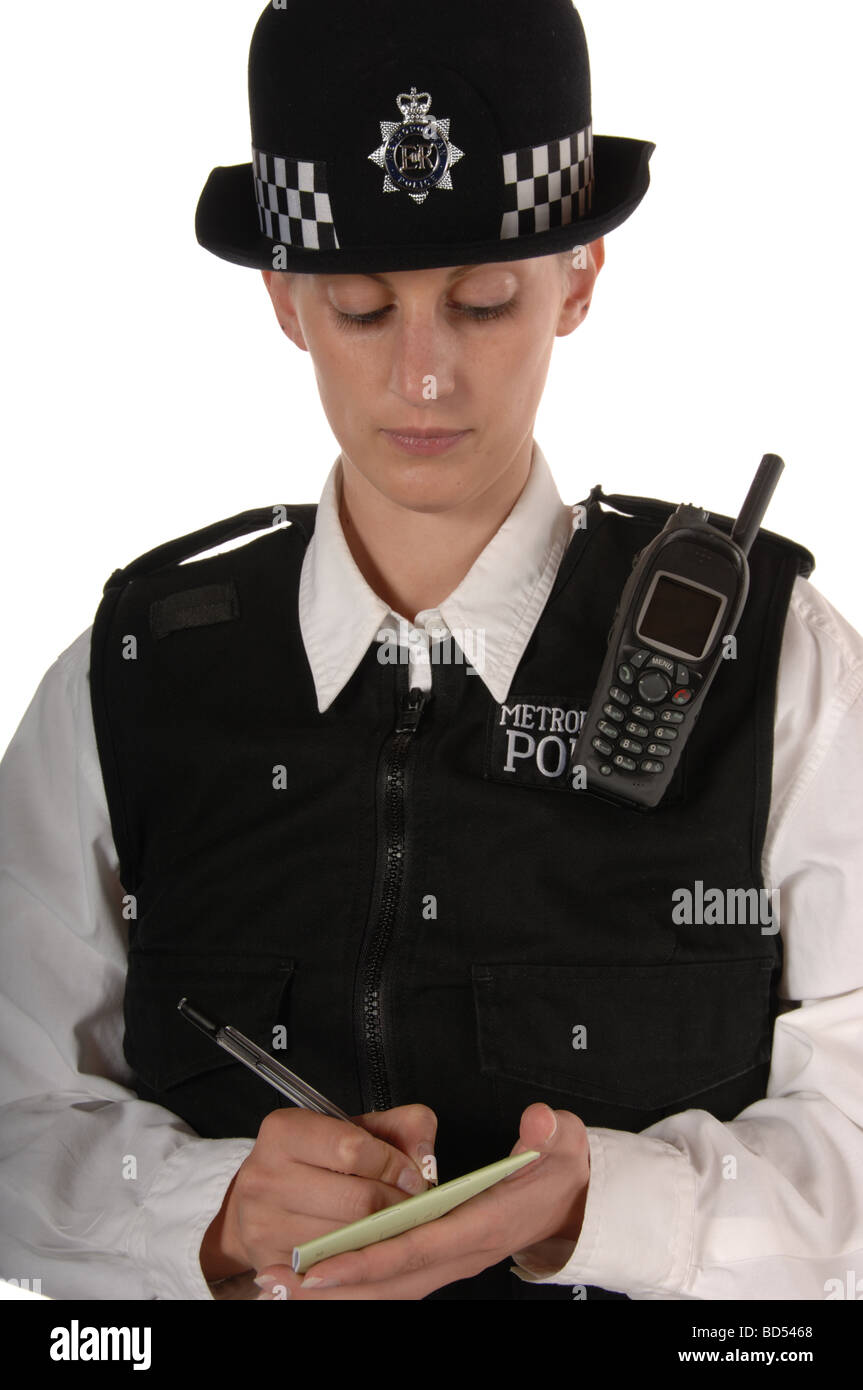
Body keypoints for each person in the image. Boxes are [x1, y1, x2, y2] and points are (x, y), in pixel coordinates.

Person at [1, 0, 862, 1305]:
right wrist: (212, 1218)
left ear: (581, 277)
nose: (422, 378)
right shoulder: (125, 683)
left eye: (483, 301)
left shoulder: (777, 667)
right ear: (286, 301)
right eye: (362, 310)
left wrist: (614, 1208)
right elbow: (18, 1116)